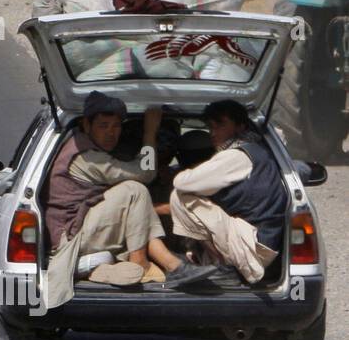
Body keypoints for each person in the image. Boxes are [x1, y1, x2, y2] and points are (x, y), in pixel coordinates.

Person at [42, 91, 218, 309]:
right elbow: (145, 173)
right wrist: (150, 133)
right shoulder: (85, 156)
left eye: (116, 126)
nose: (111, 133)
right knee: (134, 190)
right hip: (72, 238)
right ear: (86, 125)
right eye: (103, 125)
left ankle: (174, 266)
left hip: (80, 228)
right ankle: (142, 265)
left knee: (136, 202)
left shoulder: (84, 145)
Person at [167, 100, 288, 284]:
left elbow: (178, 181)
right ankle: (211, 263)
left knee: (179, 196)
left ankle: (224, 267)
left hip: (253, 244)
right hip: (259, 239)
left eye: (220, 125)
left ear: (240, 126)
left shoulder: (238, 155)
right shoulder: (260, 151)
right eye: (210, 127)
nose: (214, 133)